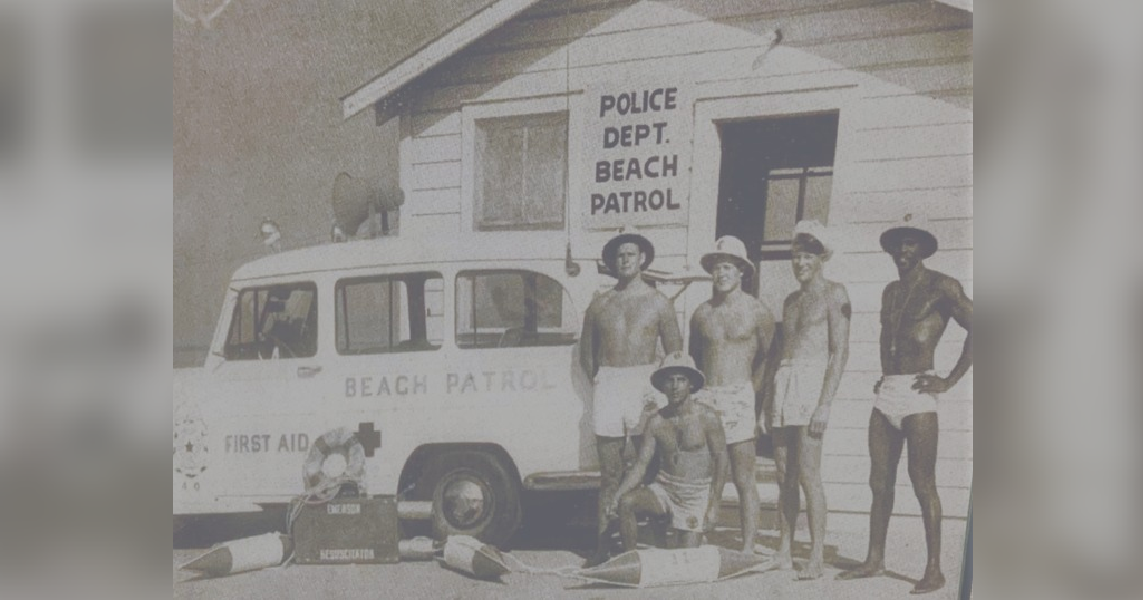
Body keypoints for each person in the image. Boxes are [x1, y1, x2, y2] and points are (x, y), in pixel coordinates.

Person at [837, 220, 972, 594]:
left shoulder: (942, 286)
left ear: (922, 249)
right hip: (888, 391)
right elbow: (891, 341)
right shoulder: (891, 291)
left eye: (910, 243)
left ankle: (934, 570)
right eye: (898, 244)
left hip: (918, 393)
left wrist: (949, 380)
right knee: (879, 482)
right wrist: (884, 377)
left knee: (922, 481)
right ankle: (874, 559)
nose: (903, 250)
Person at [580, 229, 683, 566]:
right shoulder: (600, 304)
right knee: (610, 471)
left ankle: (656, 542)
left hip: (645, 383)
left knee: (649, 466)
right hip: (610, 381)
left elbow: (675, 354)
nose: (624, 259)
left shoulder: (659, 302)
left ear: (642, 259)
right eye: (619, 255)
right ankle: (603, 546)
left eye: (630, 254)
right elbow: (587, 356)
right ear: (613, 261)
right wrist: (602, 381)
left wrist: (661, 394)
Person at [766, 221, 850, 580]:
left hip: (812, 382)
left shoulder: (835, 293)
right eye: (796, 257)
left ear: (821, 258)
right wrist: (767, 401)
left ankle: (815, 556)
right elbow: (780, 354)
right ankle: (784, 550)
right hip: (785, 382)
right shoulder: (790, 301)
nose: (800, 263)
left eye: (807, 257)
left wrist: (825, 403)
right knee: (783, 471)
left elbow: (839, 352)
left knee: (808, 472)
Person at [688, 236, 775, 553]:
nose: (721, 273)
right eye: (716, 267)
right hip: (707, 396)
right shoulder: (701, 313)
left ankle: (748, 546)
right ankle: (695, 536)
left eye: (727, 267)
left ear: (741, 271)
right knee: (702, 472)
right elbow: (694, 360)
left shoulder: (758, 311)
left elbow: (768, 358)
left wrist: (754, 395)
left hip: (739, 394)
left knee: (743, 476)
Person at [607, 352, 728, 550]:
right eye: (670, 380)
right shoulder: (656, 421)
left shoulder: (707, 418)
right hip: (665, 488)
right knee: (627, 502)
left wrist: (714, 505)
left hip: (694, 494)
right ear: (662, 385)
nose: (675, 386)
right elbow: (641, 465)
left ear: (691, 384)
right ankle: (631, 557)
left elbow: (722, 461)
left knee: (686, 557)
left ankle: (688, 539)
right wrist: (617, 496)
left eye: (681, 380)